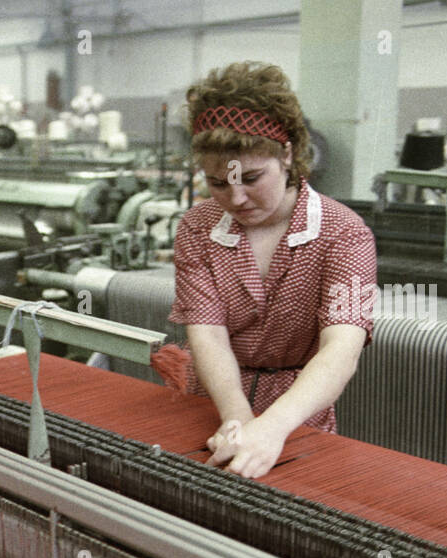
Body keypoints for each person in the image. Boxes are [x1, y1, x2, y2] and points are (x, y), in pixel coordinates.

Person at [156, 61, 376, 480]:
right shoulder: (197, 229)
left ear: (288, 153)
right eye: (218, 183)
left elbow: (341, 349)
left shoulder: (344, 233)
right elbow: (208, 336)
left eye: (252, 177)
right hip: (214, 407)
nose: (236, 199)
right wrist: (236, 417)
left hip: (297, 417)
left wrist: (272, 427)